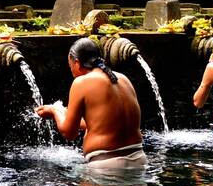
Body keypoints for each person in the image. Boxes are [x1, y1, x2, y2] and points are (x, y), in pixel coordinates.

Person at [36, 37, 145, 172]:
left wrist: (55, 110)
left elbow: (70, 133)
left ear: (76, 62)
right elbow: (104, 124)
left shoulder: (81, 82)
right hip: (139, 161)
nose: (72, 72)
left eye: (70, 67)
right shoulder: (123, 79)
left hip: (106, 166)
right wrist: (65, 112)